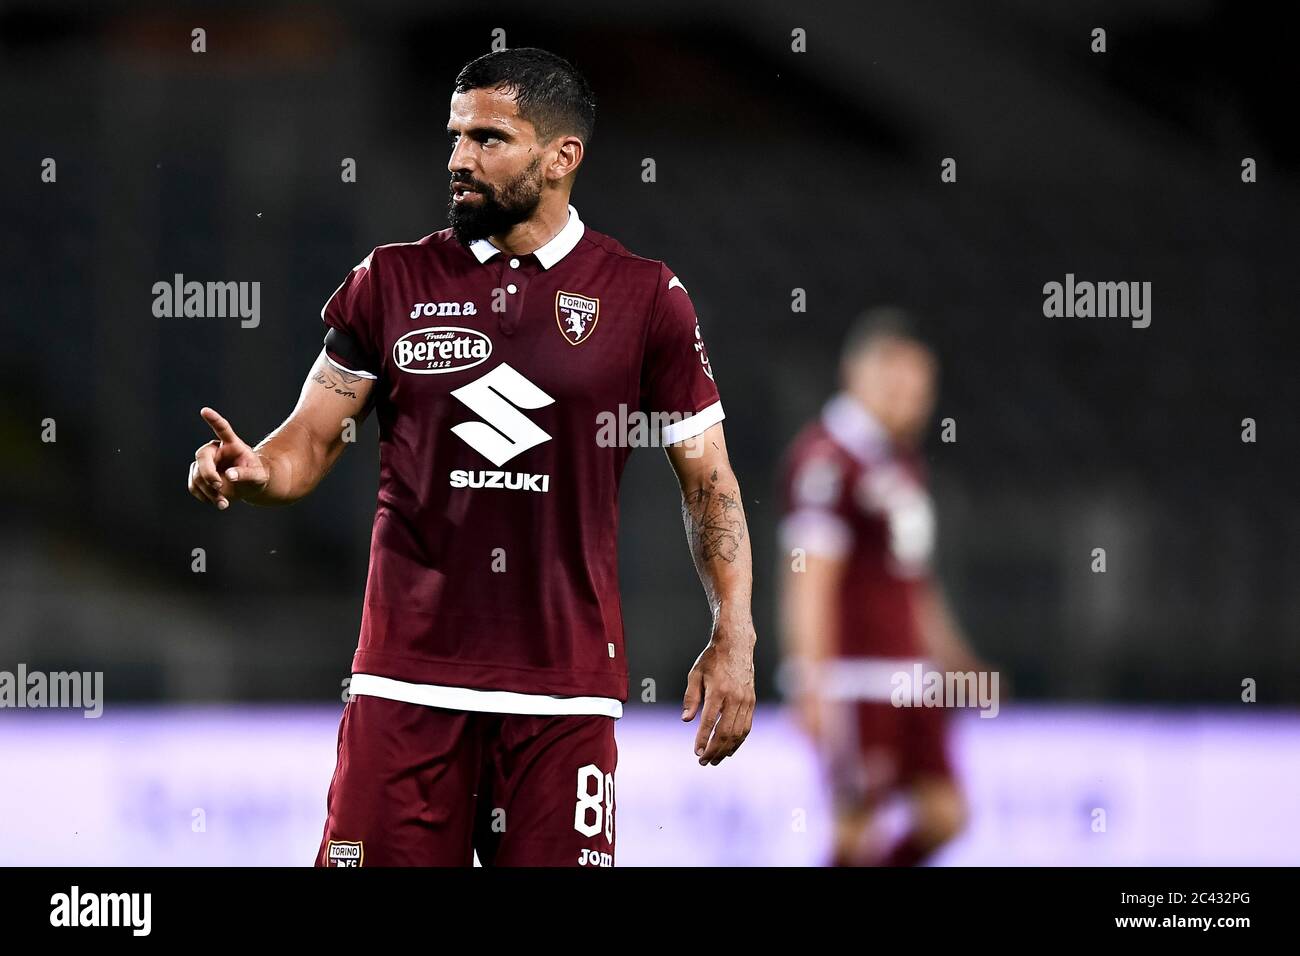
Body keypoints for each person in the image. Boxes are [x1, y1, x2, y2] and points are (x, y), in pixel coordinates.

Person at [186, 47, 756, 867]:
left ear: (563, 157)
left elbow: (710, 483)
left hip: (563, 694)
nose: (459, 159)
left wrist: (732, 633)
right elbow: (308, 440)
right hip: (406, 682)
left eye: (489, 139)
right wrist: (255, 470)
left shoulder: (645, 299)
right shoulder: (391, 281)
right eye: (455, 137)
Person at [778, 308, 983, 866]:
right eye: (896, 383)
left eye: (920, 387)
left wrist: (954, 658)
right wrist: (810, 676)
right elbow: (809, 577)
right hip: (854, 680)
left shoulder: (900, 464)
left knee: (946, 815)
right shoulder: (827, 459)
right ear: (857, 375)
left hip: (910, 678)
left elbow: (913, 578)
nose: (911, 399)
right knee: (854, 832)